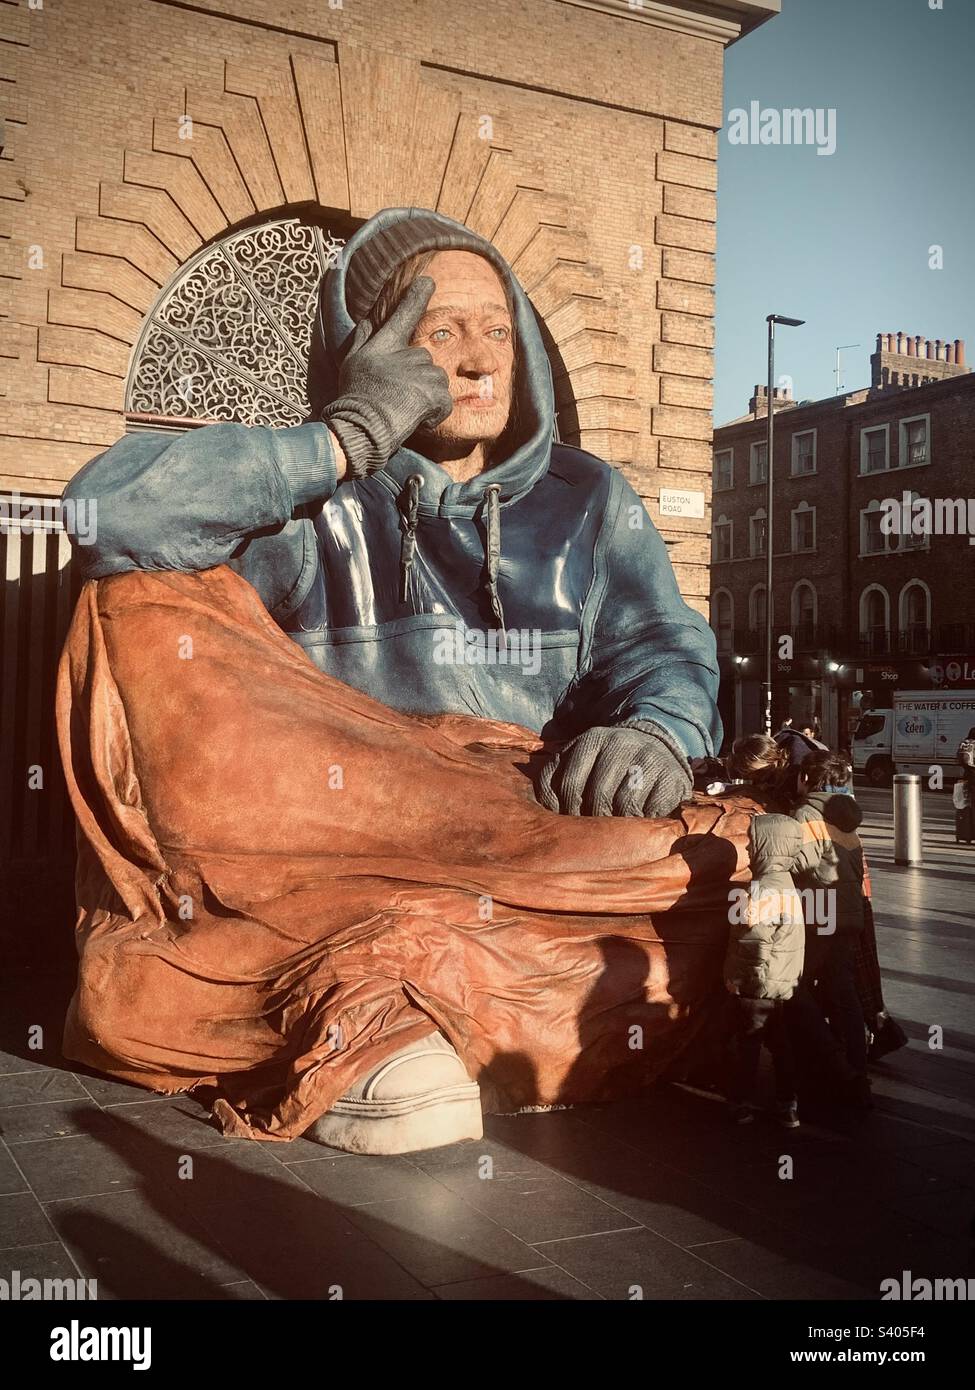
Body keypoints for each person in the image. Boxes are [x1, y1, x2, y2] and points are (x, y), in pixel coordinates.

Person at [61, 206, 722, 1152]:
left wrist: (655, 729)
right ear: (368, 351)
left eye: (497, 329)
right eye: (439, 331)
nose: (478, 358)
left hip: (525, 820)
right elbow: (104, 514)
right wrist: (342, 439)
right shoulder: (310, 499)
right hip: (346, 850)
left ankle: (408, 1007)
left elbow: (662, 642)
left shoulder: (588, 498)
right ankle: (402, 1017)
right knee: (135, 602)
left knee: (720, 859)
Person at [724, 812, 831, 1129]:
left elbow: (753, 945)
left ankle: (741, 1103)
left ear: (765, 847)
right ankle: (788, 1105)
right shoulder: (787, 884)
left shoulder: (761, 892)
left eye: (751, 843)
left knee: (747, 1045)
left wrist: (740, 981)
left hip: (757, 986)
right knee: (780, 1043)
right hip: (782, 984)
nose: (746, 849)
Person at [790, 751, 872, 1103]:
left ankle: (836, 1064)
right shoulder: (845, 815)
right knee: (844, 991)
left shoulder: (806, 813)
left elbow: (804, 866)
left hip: (821, 912)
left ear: (806, 779)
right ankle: (858, 1070)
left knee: (791, 987)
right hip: (850, 913)